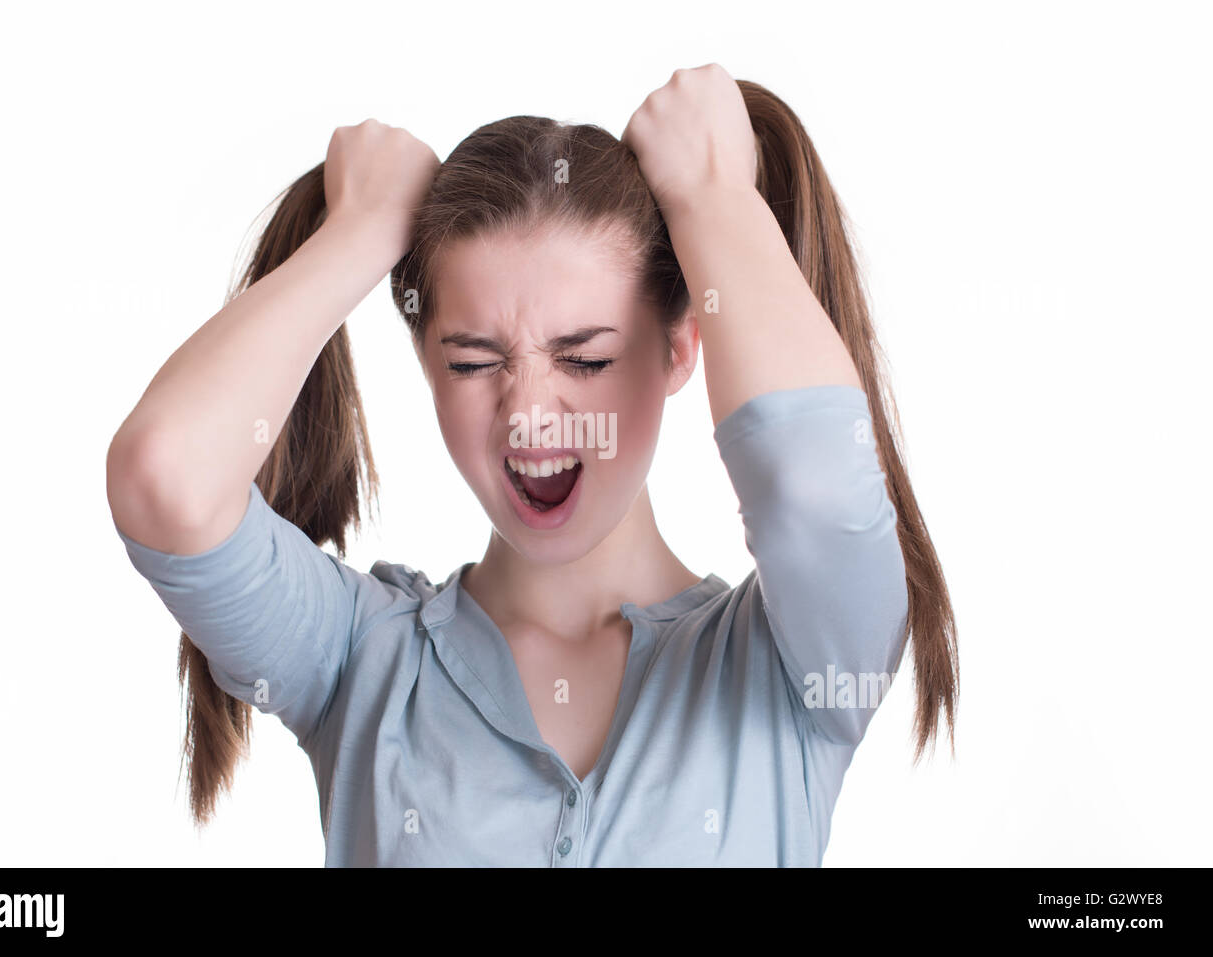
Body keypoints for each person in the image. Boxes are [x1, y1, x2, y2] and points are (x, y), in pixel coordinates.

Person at [107, 64, 958, 866]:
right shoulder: (355, 660)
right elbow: (166, 476)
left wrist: (714, 198)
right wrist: (360, 232)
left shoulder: (800, 666)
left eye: (583, 358)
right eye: (474, 362)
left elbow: (814, 484)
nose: (526, 414)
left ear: (679, 345)